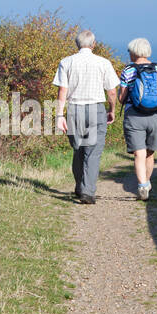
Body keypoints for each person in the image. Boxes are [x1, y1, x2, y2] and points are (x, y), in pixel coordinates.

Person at [53, 30, 119, 204]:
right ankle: (87, 191)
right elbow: (112, 91)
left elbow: (62, 91)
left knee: (79, 149)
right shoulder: (103, 63)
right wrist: (111, 109)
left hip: (74, 109)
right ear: (93, 44)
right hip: (96, 108)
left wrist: (60, 115)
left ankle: (80, 186)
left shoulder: (66, 62)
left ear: (77, 44)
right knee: (93, 152)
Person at [116, 38, 157, 201]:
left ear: (134, 52)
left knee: (138, 153)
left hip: (134, 116)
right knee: (149, 153)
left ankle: (142, 186)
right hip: (156, 116)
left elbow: (122, 98)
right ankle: (147, 181)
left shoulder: (128, 70)